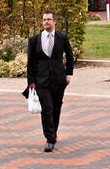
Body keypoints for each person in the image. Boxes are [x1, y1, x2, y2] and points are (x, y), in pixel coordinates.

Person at [25, 10, 75, 152]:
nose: (46, 22)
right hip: (41, 80)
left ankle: (53, 132)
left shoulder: (62, 37)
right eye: (44, 19)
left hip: (59, 79)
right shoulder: (34, 40)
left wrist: (68, 74)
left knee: (56, 109)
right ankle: (49, 139)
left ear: (54, 22)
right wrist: (31, 81)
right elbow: (31, 62)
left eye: (48, 19)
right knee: (47, 109)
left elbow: (70, 56)